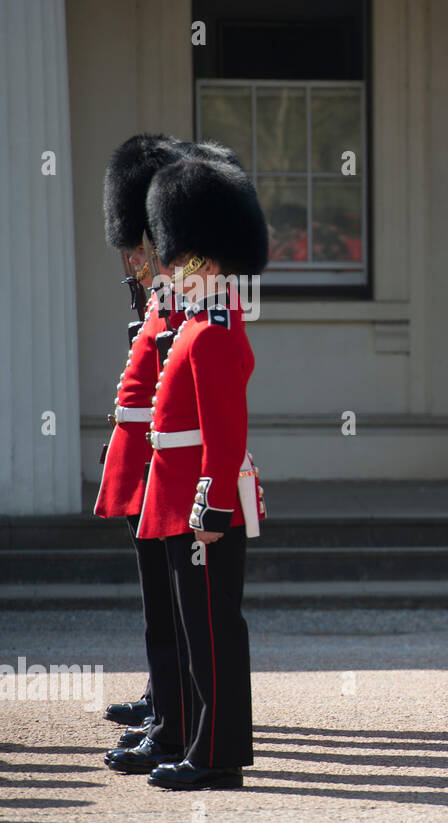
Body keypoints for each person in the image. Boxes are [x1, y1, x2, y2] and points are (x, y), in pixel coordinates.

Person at [134, 155, 268, 790]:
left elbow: (223, 431)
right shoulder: (196, 322)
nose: (169, 270)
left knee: (212, 636)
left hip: (202, 505)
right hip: (183, 494)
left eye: (181, 258)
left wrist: (212, 509)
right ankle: (203, 745)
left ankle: (215, 757)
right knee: (197, 634)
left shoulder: (211, 329)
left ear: (209, 263)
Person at [96, 134, 193, 765]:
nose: (134, 257)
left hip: (173, 461)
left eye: (140, 245)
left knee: (175, 599)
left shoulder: (192, 291)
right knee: (161, 597)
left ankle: (176, 711)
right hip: (149, 456)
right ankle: (167, 699)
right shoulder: (160, 287)